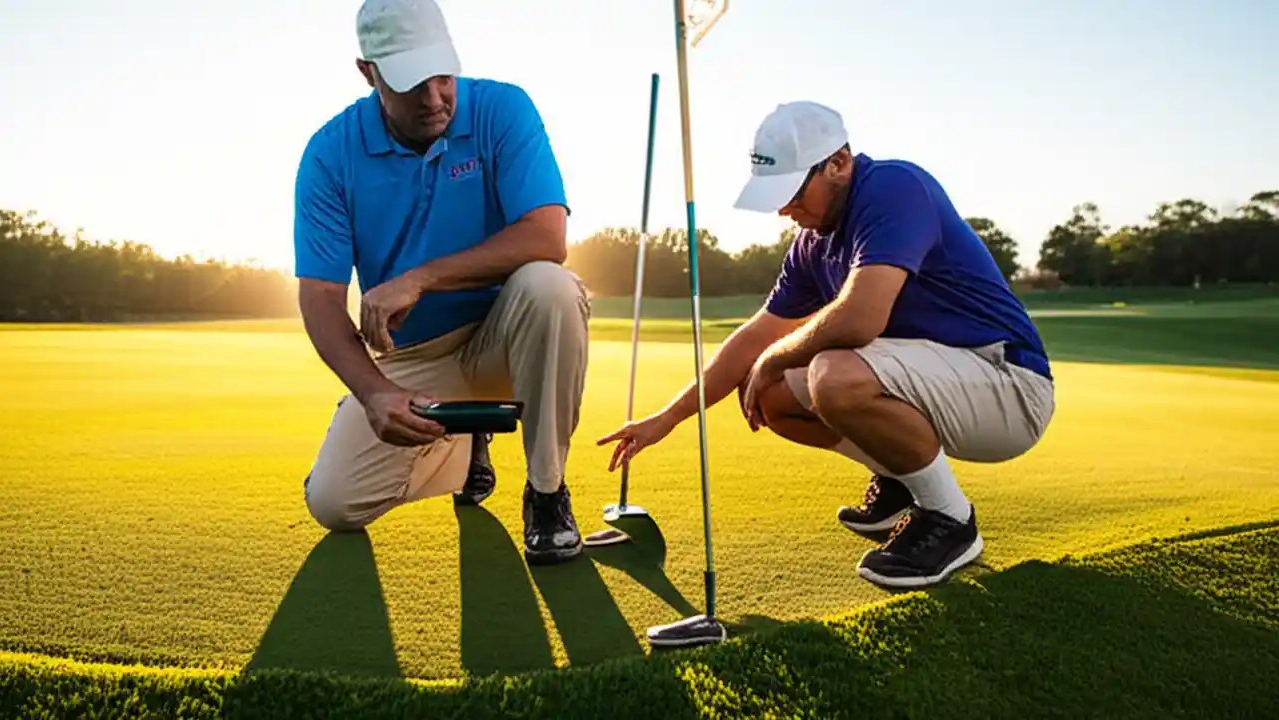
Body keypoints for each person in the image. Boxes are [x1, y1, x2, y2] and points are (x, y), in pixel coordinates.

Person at [599, 101, 1055, 588]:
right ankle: (902, 479)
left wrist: (773, 359)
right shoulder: (812, 243)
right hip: (948, 380)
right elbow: (756, 335)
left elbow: (860, 319)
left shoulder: (894, 188)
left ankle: (949, 519)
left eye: (793, 191)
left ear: (838, 163)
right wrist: (666, 418)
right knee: (772, 398)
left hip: (1008, 383)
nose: (783, 209)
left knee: (832, 375)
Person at [293, 0, 589, 565]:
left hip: (510, 333)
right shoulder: (329, 154)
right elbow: (321, 298)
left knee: (550, 286)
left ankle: (546, 493)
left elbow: (547, 238)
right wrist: (373, 391)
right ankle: (464, 446)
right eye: (411, 85)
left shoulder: (504, 108)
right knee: (335, 504)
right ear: (369, 72)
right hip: (420, 354)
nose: (434, 100)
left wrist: (420, 279)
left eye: (442, 77)